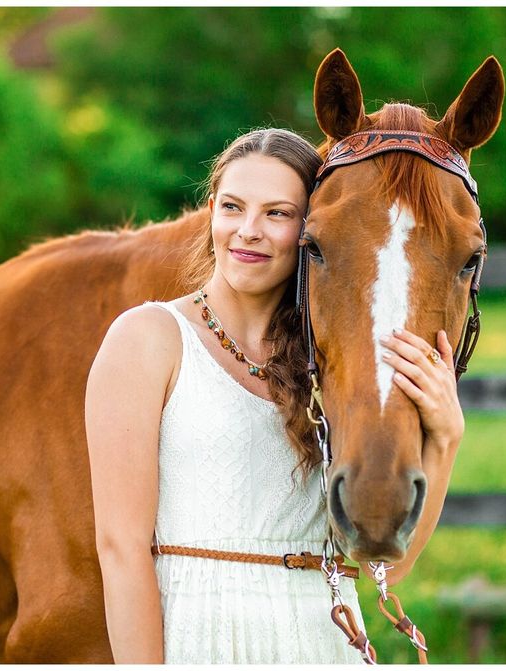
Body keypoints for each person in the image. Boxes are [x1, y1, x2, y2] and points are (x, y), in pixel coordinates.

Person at [84, 128, 463, 664]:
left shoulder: (330, 368)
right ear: (211, 212)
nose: (249, 231)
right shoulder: (148, 339)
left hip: (322, 644)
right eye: (233, 207)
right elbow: (121, 551)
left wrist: (445, 438)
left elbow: (386, 567)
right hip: (200, 639)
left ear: (309, 230)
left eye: (277, 214)